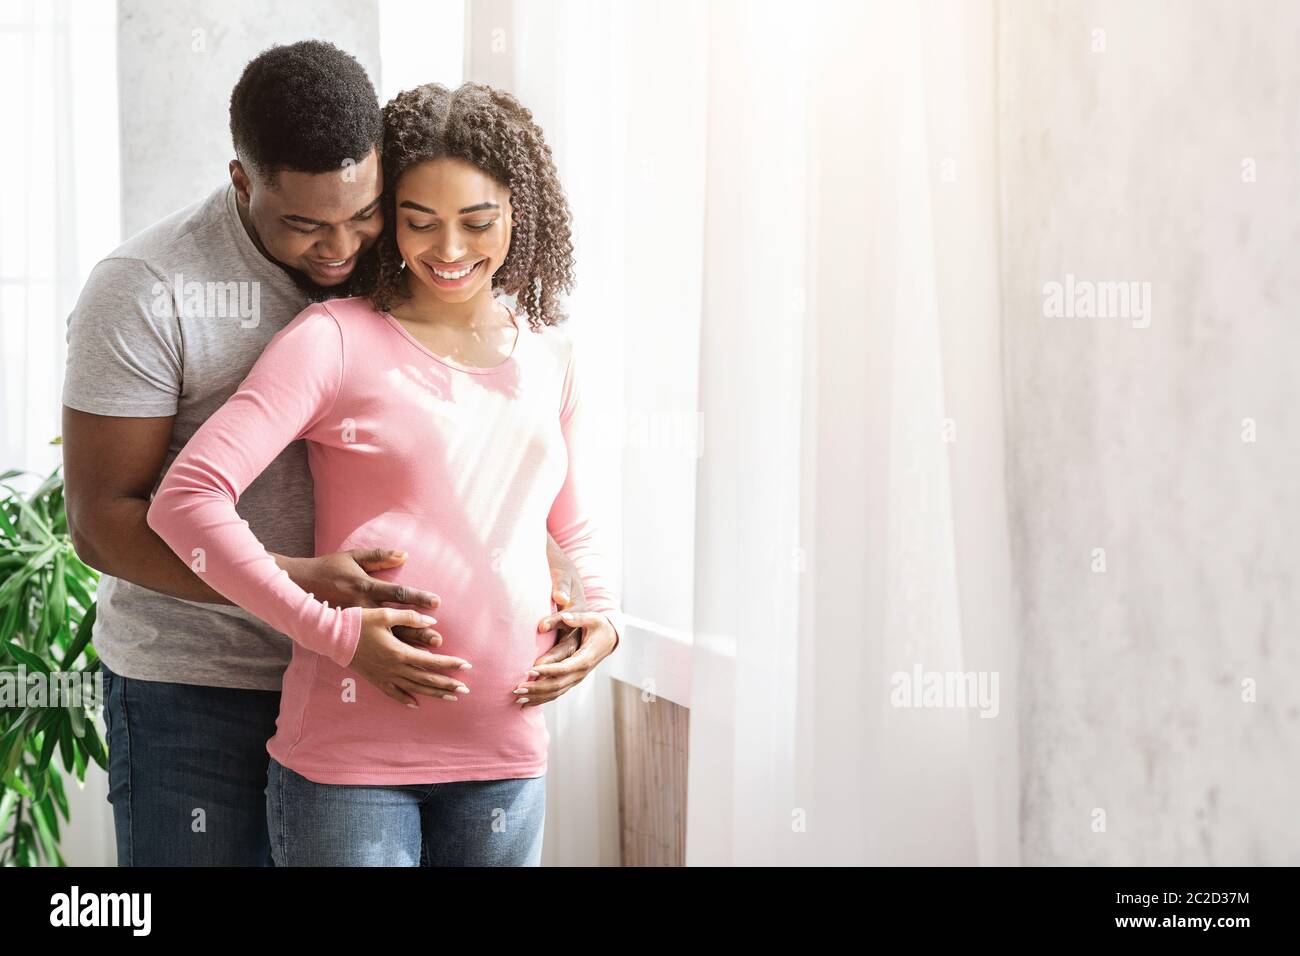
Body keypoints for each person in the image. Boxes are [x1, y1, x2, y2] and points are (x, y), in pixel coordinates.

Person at [61, 42, 594, 867]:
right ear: (245, 182)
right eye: (307, 224)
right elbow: (102, 524)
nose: (342, 247)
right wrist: (301, 589)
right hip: (199, 681)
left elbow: (465, 459)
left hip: (377, 692)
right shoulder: (149, 289)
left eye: (367, 212)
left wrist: (565, 583)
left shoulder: (412, 278)